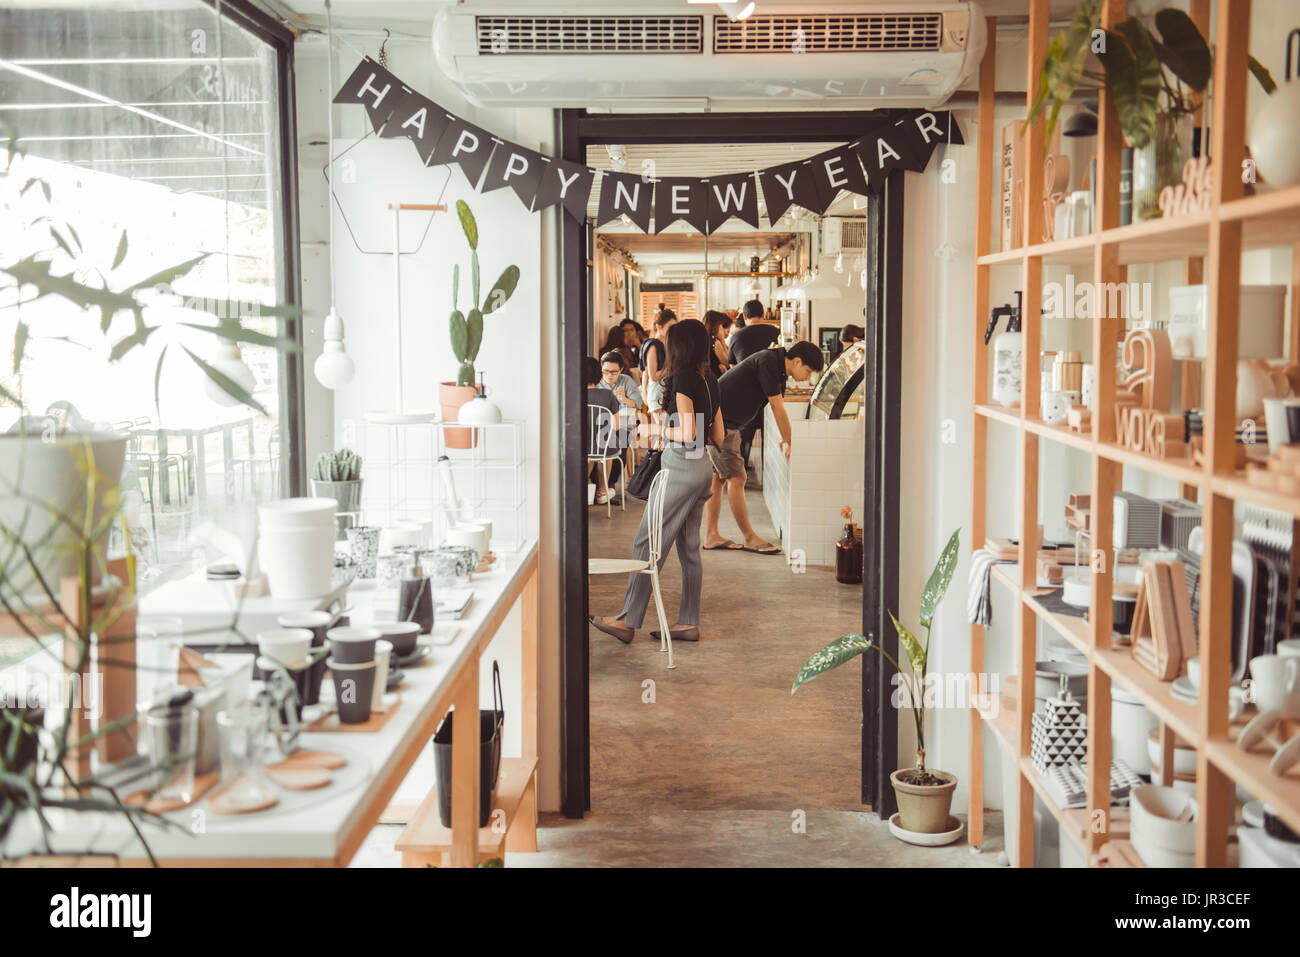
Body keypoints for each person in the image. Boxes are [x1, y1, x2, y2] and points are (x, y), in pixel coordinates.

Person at [592, 319, 723, 645]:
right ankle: (688, 622)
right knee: (689, 549)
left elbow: (687, 433)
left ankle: (627, 620)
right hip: (702, 467)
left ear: (678, 346)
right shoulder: (711, 380)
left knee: (646, 541)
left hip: (680, 467)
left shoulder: (682, 379)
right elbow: (715, 435)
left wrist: (652, 430)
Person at [703, 340, 824, 553]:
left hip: (724, 421)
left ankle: (711, 535)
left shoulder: (777, 367)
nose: (808, 378)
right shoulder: (768, 362)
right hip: (721, 422)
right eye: (809, 371)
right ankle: (749, 537)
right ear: (796, 361)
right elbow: (777, 407)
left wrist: (785, 437)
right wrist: (789, 440)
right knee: (737, 478)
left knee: (719, 477)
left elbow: (776, 406)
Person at [584, 355, 622, 506]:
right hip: (602, 447)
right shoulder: (607, 395)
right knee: (604, 447)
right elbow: (617, 425)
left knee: (589, 452)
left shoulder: (574, 396)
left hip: (581, 445)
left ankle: (584, 489)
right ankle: (602, 490)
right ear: (598, 375)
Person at [598, 350, 643, 463]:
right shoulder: (596, 382)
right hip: (600, 424)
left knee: (619, 444)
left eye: (613, 372)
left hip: (622, 424)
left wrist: (624, 399)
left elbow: (637, 403)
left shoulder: (626, 380)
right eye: (606, 371)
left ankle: (615, 472)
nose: (609, 375)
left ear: (621, 370)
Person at [639, 307, 676, 426]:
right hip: (658, 394)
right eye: (671, 327)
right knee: (662, 434)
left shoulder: (667, 344)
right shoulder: (653, 345)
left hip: (664, 393)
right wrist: (673, 368)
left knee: (662, 434)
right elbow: (653, 375)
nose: (673, 330)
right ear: (659, 326)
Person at [726, 299, 779, 366]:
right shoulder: (775, 332)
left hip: (745, 375)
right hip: (770, 375)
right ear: (763, 315)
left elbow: (732, 365)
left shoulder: (736, 336)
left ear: (744, 316)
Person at [703, 310, 732, 379]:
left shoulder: (704, 339)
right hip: (715, 379)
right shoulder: (715, 342)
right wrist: (722, 339)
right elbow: (728, 362)